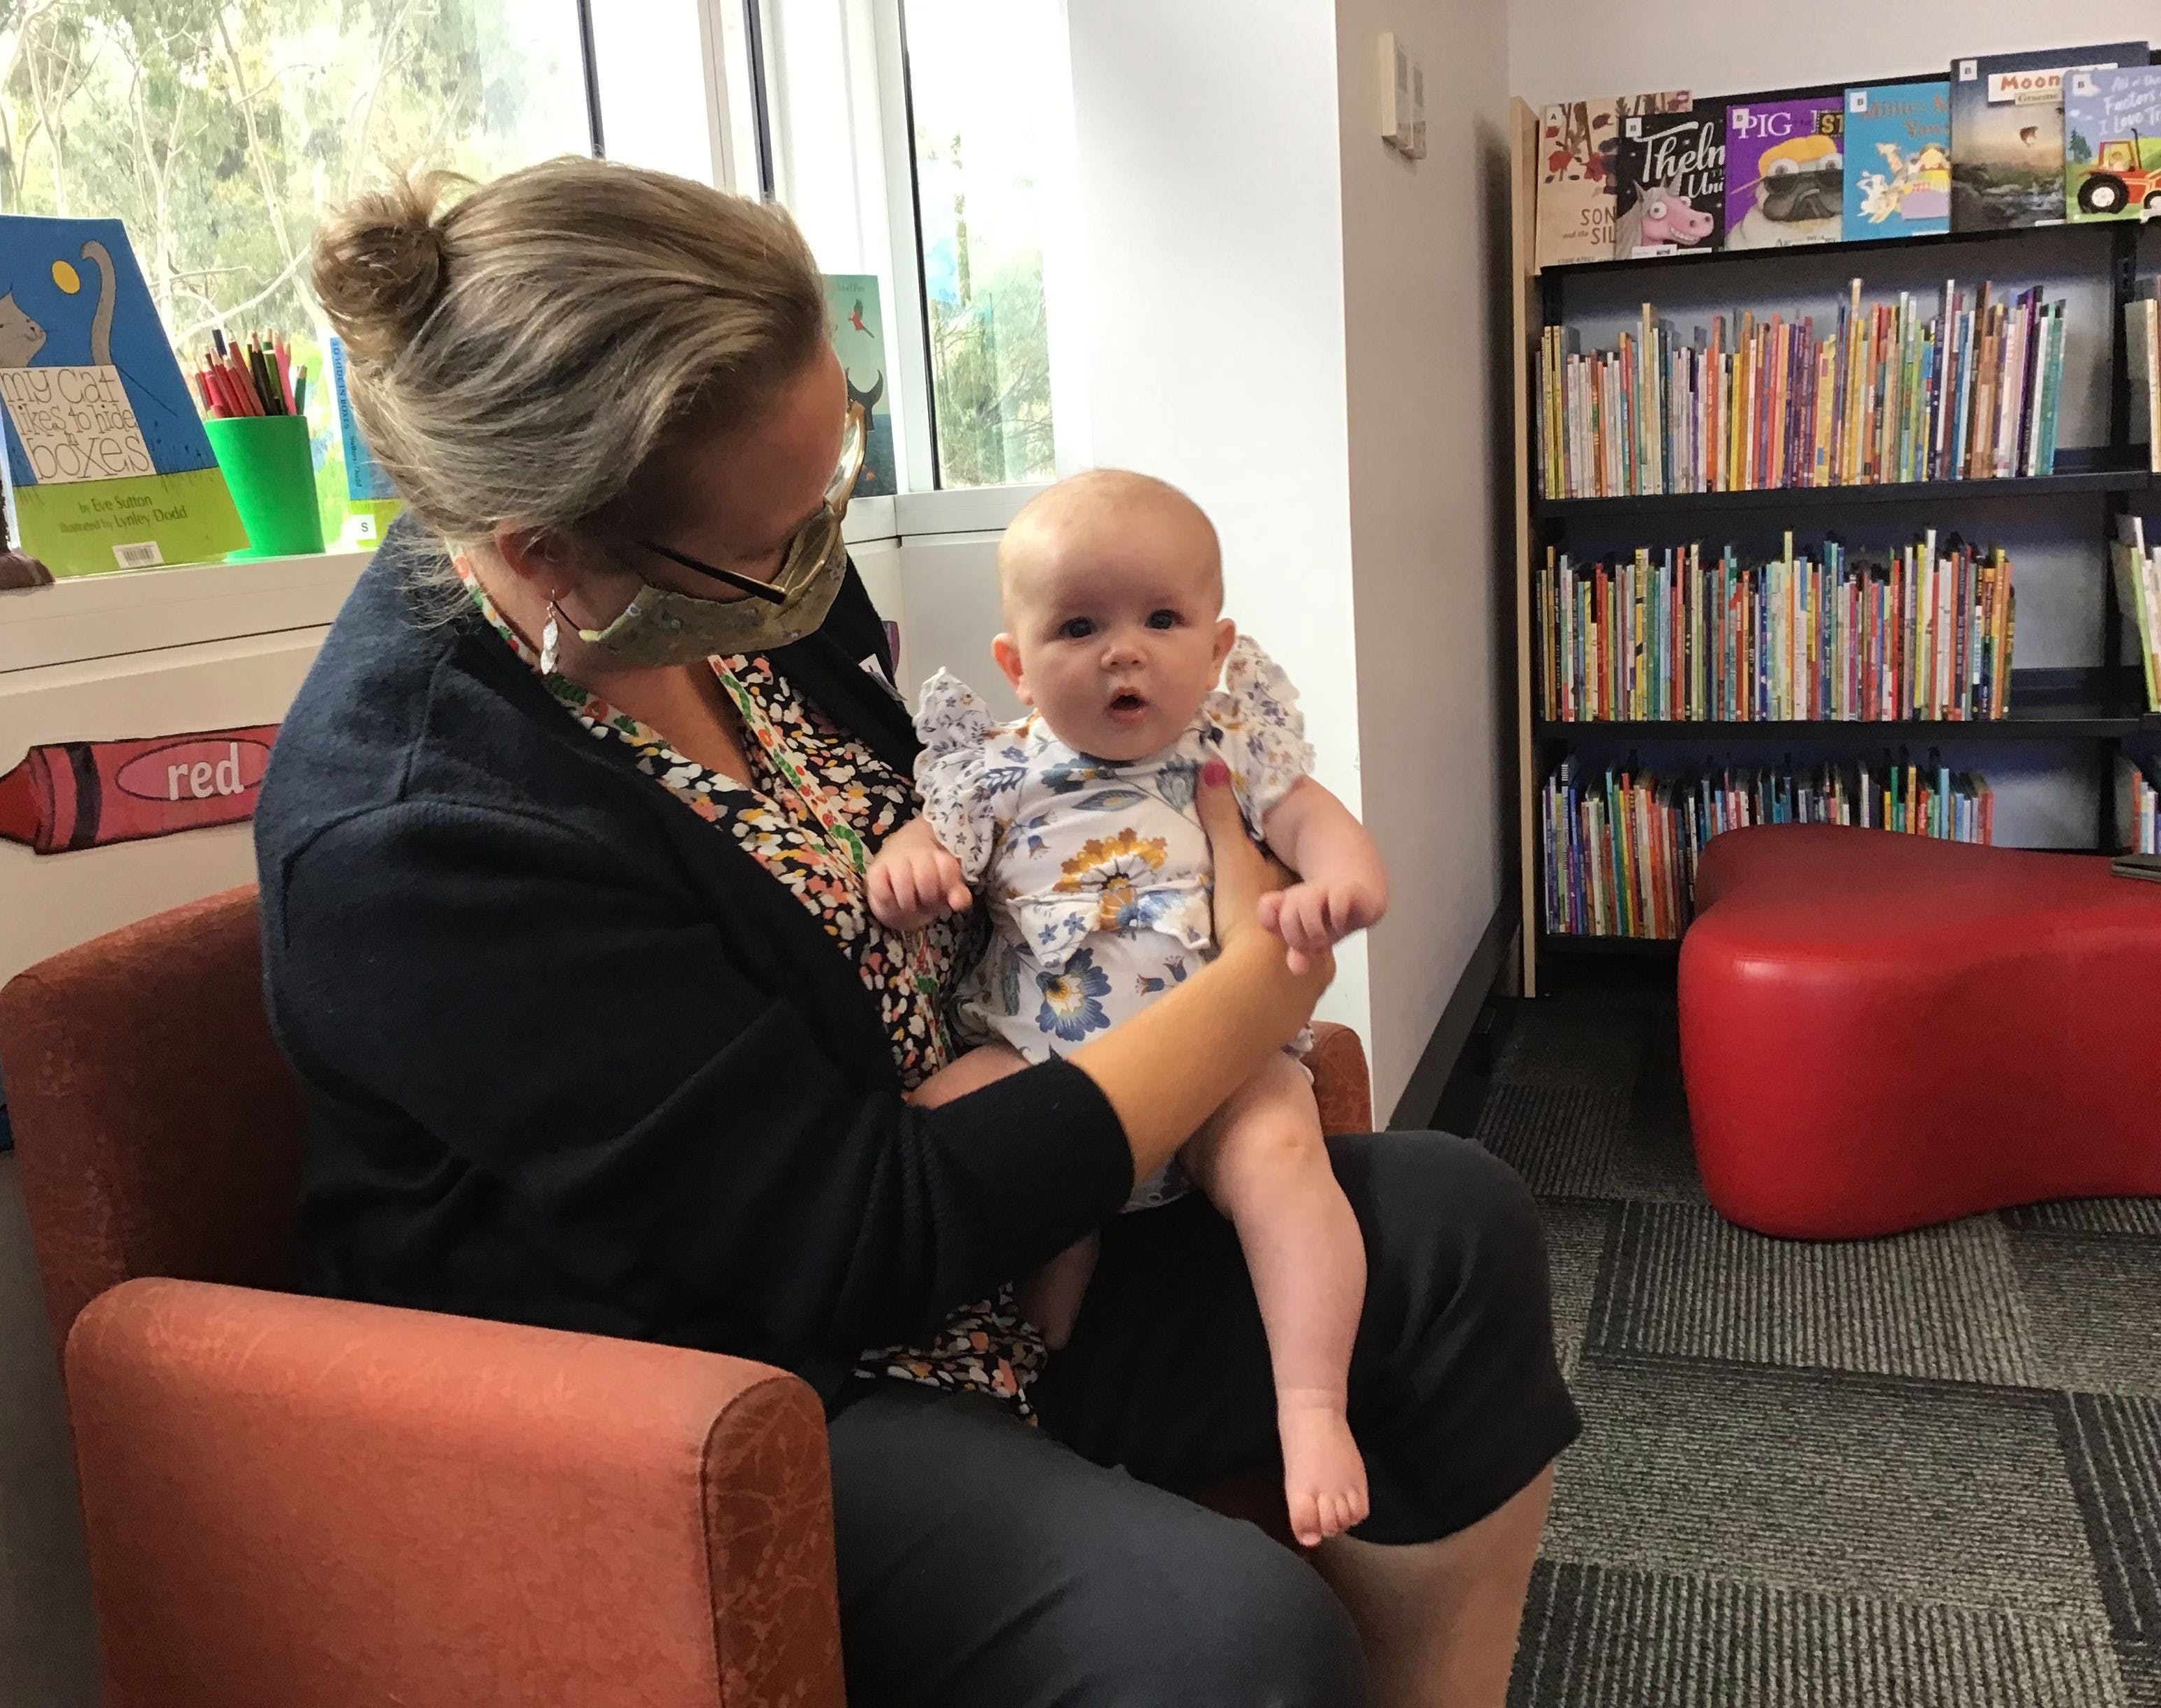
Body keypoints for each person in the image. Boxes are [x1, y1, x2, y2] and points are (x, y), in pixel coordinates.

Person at [260, 156, 1579, 1708]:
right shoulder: (425, 829)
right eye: (775, 532)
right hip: (736, 1378)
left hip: (977, 1222)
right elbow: (856, 1239)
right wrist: (1247, 984)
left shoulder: (732, 594)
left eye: (836, 472)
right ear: (545, 548)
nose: (819, 548)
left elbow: (955, 828)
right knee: (1228, 1646)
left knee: (1450, 1225)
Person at [868, 470, 1385, 1545]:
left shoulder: (1229, 754)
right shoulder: (1001, 775)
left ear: (1216, 645)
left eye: (1161, 620)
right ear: (1015, 664)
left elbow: (1312, 817)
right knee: (935, 1116)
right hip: (1040, 1069)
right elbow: (931, 843)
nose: (1124, 651)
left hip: (1218, 1067)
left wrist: (1341, 878)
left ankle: (1312, 1406)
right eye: (1078, 626)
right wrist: (911, 866)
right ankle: (1042, 1350)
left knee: (1286, 1159)